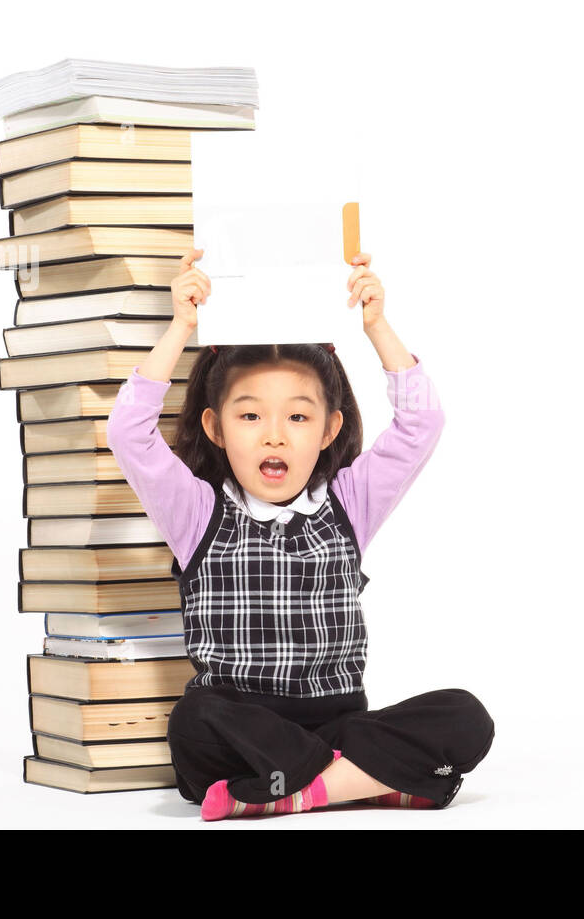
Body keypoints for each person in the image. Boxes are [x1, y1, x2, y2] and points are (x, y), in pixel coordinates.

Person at [105, 248, 494, 820]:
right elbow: (129, 434)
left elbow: (421, 425)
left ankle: (302, 788)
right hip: (241, 724)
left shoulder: (350, 505)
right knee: (194, 721)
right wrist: (181, 326)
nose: (274, 437)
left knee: (465, 716)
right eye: (249, 416)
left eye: (298, 416)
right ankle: (363, 780)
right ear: (215, 427)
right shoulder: (196, 512)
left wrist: (376, 325)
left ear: (329, 428)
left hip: (339, 719)